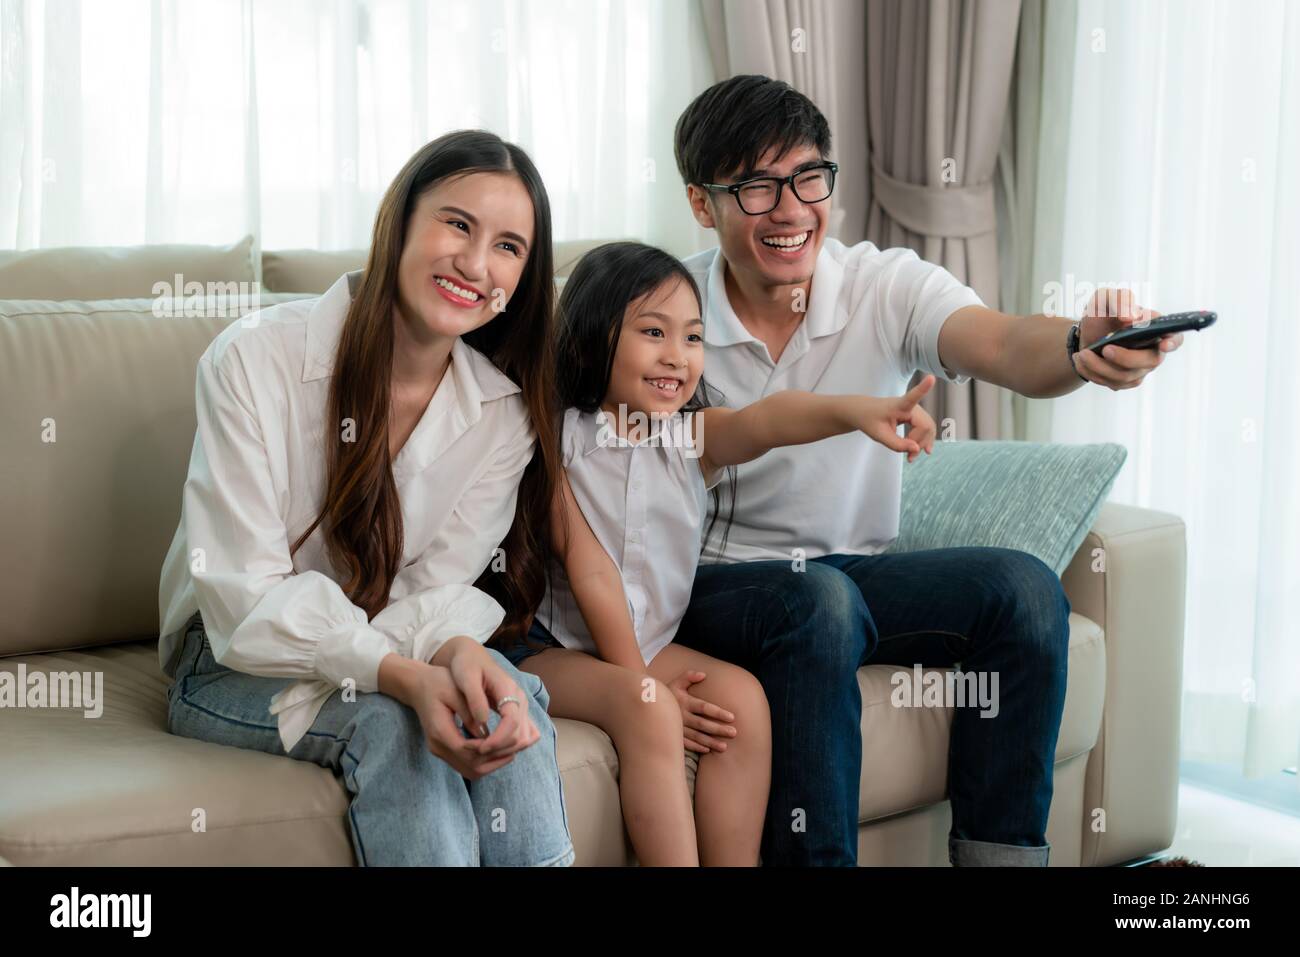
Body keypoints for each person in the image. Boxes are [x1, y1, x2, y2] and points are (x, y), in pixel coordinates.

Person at [670, 75, 1184, 866]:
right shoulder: (668, 311)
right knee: (820, 601)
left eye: (809, 178)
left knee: (1021, 591)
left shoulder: (882, 283)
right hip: (710, 588)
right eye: (755, 186)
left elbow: (1006, 342)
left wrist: (1085, 344)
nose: (790, 209)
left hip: (845, 577)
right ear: (703, 203)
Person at [157, 130, 573, 866]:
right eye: (457, 224)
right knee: (394, 722)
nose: (476, 264)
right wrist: (403, 676)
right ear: (400, 219)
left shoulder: (503, 415)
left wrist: (451, 653)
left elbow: (434, 588)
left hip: (391, 640)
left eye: (509, 246)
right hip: (232, 659)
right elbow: (243, 600)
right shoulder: (254, 359)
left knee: (508, 697)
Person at [501, 240, 939, 865]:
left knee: (744, 705)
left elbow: (769, 420)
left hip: (647, 642)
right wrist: (641, 679)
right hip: (549, 650)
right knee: (650, 710)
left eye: (693, 337)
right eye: (653, 332)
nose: (677, 357)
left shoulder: (687, 440)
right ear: (592, 337)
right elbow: (592, 572)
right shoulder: (562, 438)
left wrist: (857, 410)